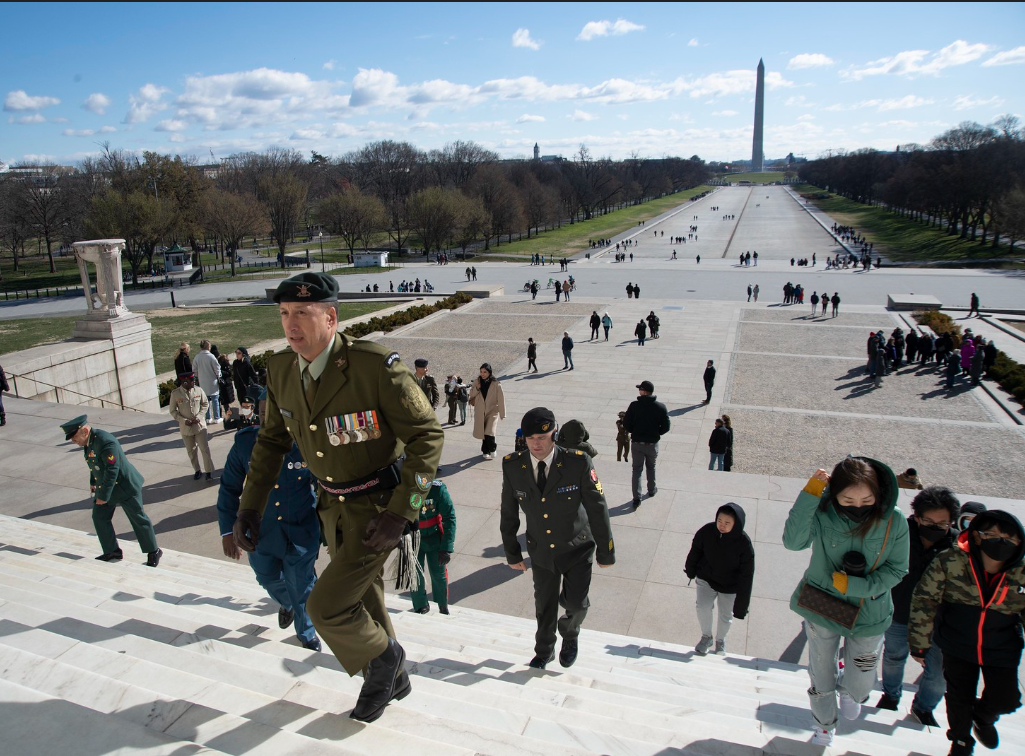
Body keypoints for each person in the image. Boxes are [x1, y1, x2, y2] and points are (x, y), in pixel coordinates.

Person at [234, 272, 443, 723]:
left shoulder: (373, 367)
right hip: (331, 506)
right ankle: (395, 676)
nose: (291, 325)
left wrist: (402, 513)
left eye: (303, 314)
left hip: (378, 511)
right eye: (285, 314)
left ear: (330, 316)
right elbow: (271, 442)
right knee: (364, 600)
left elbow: (427, 436)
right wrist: (249, 505)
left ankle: (385, 662)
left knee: (325, 606)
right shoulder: (280, 370)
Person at [783, 456, 909, 747]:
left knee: (862, 675)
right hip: (824, 604)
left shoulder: (894, 520)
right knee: (821, 672)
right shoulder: (823, 512)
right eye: (848, 500)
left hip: (870, 613)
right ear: (834, 494)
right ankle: (824, 725)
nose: (858, 506)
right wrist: (810, 495)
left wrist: (856, 585)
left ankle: (853, 693)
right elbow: (793, 541)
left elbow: (897, 569)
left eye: (867, 499)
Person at [500, 407, 615, 669]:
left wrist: (606, 552)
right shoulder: (513, 465)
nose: (536, 445)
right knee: (545, 604)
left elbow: (598, 507)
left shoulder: (578, 462)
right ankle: (544, 651)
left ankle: (570, 632)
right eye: (530, 439)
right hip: (541, 550)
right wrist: (512, 553)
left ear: (555, 434)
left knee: (576, 603)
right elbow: (509, 511)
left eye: (542, 438)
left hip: (577, 546)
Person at [909, 509, 1025, 755]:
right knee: (959, 698)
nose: (1000, 542)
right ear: (977, 537)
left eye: (1008, 537)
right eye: (991, 534)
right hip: (957, 643)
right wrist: (919, 644)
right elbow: (925, 599)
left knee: (1007, 699)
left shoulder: (1023, 571)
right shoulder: (950, 560)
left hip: (1002, 647)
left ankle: (983, 718)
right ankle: (961, 742)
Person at [217, 398, 322, 651]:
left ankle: (306, 634)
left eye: (277, 414)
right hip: (260, 532)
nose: (269, 419)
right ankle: (288, 604)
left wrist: (332, 529)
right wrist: (228, 531)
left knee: (302, 584)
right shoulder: (245, 443)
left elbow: (328, 486)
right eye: (264, 413)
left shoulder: (309, 442)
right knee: (266, 576)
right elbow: (229, 488)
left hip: (301, 529)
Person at [876, 486, 960, 726]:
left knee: (938, 673)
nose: (934, 527)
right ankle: (890, 696)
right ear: (917, 516)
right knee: (893, 657)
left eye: (942, 523)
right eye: (928, 521)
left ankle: (923, 708)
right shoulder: (900, 532)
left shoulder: (956, 547)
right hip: (898, 612)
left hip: (937, 623)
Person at [60, 414, 161, 566]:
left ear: (85, 431)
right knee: (99, 517)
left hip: (125, 486)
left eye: (75, 438)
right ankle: (112, 550)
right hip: (106, 486)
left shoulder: (106, 441)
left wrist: (104, 496)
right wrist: (93, 482)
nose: (74, 442)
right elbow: (93, 463)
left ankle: (153, 551)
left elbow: (112, 469)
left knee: (138, 518)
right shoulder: (89, 441)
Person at [685, 503, 755, 656]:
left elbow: (746, 575)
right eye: (719, 521)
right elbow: (696, 550)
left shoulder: (744, 543)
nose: (722, 526)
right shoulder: (706, 531)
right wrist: (690, 570)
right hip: (707, 578)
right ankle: (706, 637)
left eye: (727, 523)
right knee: (702, 607)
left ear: (736, 524)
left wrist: (742, 605)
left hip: (730, 586)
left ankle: (720, 641)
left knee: (725, 616)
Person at [410, 478, 456, 615]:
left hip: (434, 537)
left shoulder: (438, 489)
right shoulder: (404, 486)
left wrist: (446, 547)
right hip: (413, 537)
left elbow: (450, 517)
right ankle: (420, 605)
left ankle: (442, 605)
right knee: (414, 574)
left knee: (438, 574)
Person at [623, 380, 670, 508]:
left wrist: (634, 431)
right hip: (652, 444)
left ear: (644, 391)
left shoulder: (634, 405)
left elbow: (626, 423)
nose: (639, 391)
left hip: (637, 443)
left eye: (640, 389)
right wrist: (657, 433)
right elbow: (666, 427)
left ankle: (636, 498)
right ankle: (651, 490)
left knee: (637, 470)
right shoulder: (660, 407)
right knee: (651, 467)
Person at [168, 372, 216, 481]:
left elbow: (205, 404)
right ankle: (197, 470)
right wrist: (183, 420)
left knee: (205, 449)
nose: (194, 382)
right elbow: (173, 411)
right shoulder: (175, 394)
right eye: (191, 381)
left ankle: (208, 472)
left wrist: (199, 416)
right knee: (191, 451)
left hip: (200, 426)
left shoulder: (198, 390)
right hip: (186, 428)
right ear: (185, 382)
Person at [469, 363, 505, 460]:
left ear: (489, 372)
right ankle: (485, 451)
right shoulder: (477, 382)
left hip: (492, 411)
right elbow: (471, 395)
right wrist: (477, 388)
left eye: (485, 372)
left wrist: (502, 413)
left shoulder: (496, 383)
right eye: (481, 372)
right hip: (480, 411)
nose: (483, 374)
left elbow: (500, 399)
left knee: (489, 431)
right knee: (483, 432)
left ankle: (492, 448)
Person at [194, 339, 223, 424]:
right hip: (212, 381)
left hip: (202, 381)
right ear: (208, 347)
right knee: (215, 399)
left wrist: (198, 376)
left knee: (205, 400)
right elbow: (217, 369)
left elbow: (194, 370)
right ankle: (216, 417)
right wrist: (219, 376)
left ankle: (208, 417)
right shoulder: (211, 357)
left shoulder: (197, 357)